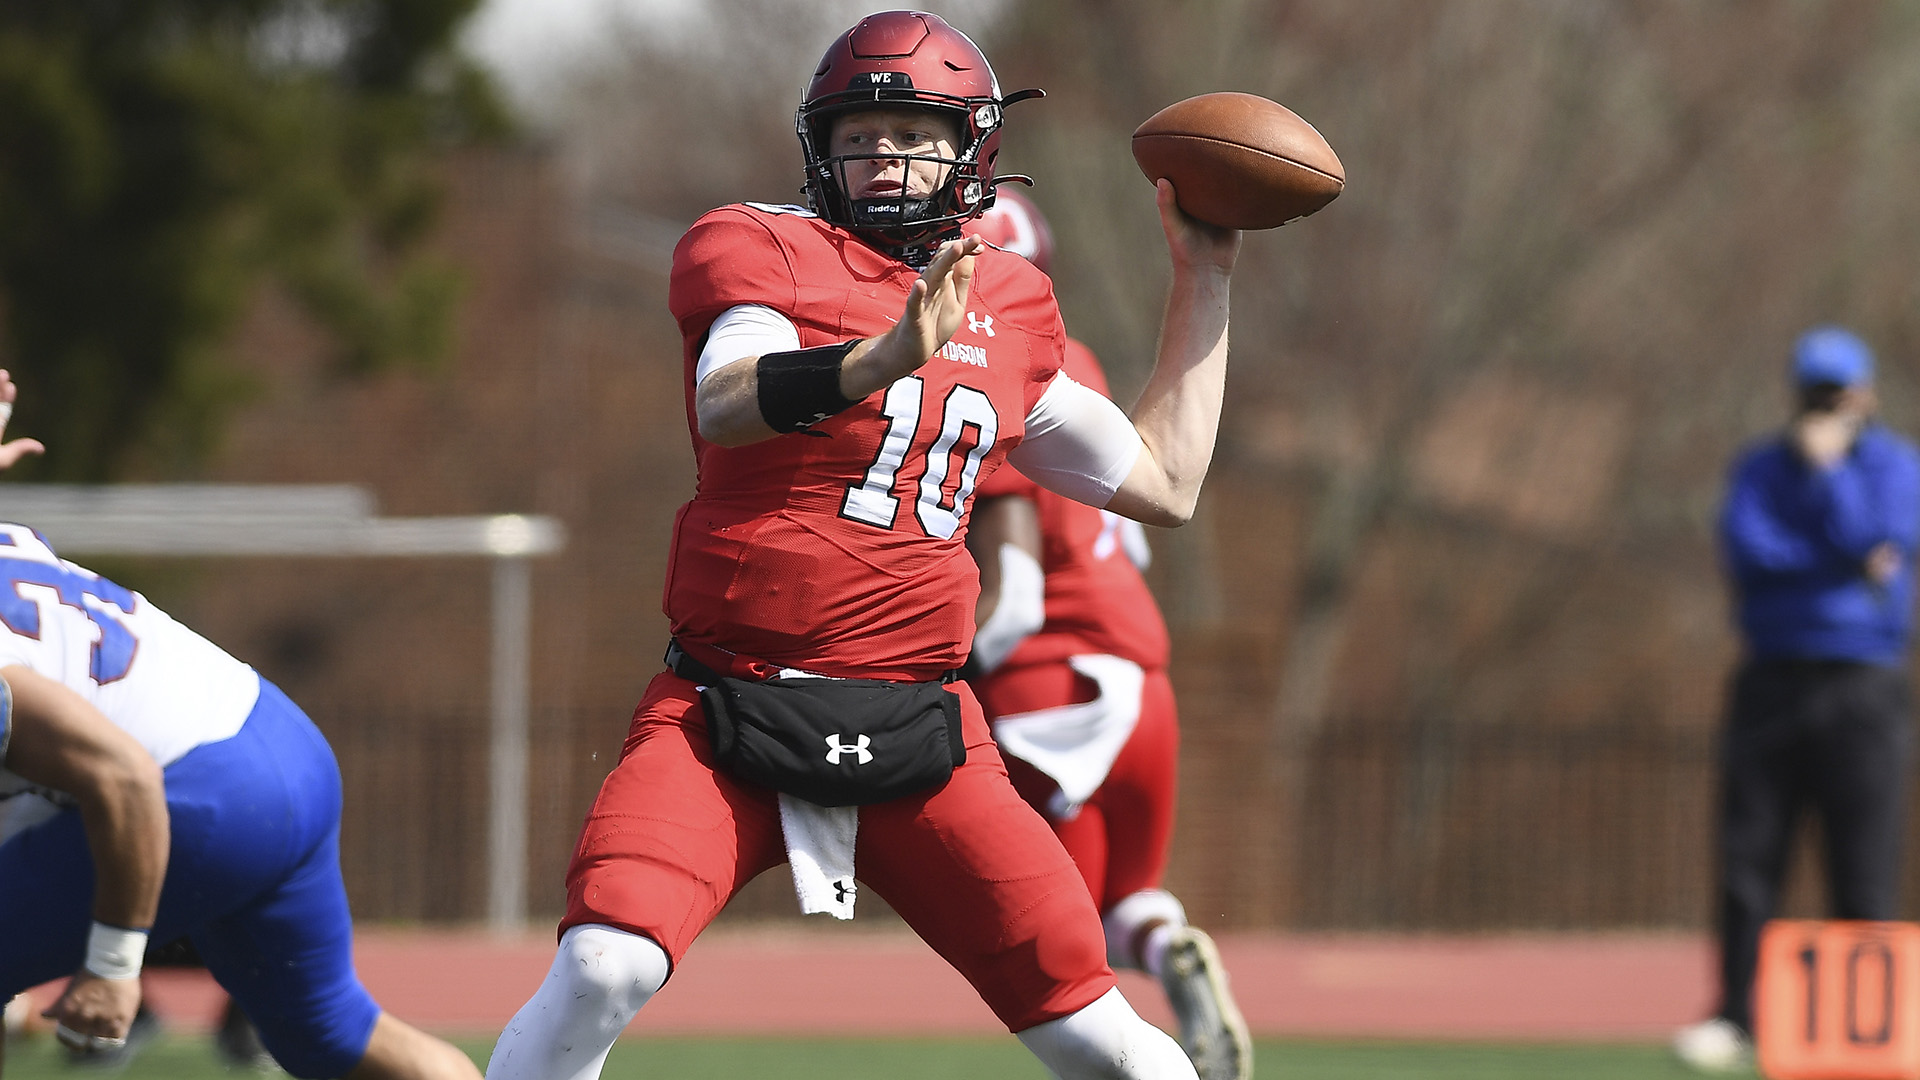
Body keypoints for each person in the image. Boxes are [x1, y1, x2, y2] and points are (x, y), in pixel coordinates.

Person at [483, 11, 1239, 1080]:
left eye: (913, 134)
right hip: (727, 708)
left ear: (971, 150)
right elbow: (726, 398)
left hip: (921, 728)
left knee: (1107, 1041)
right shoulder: (761, 246)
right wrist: (881, 358)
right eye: (859, 134)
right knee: (606, 965)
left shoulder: (1009, 300)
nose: (883, 155)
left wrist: (1205, 278)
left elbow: (1163, 482)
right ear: (819, 145)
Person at [0, 370, 481, 1080]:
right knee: (334, 1033)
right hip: (278, 737)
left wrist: (113, 965)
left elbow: (125, 775)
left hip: (195, 791)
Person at [963, 189, 1251, 1080]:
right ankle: (1171, 951)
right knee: (1131, 900)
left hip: (1052, 693)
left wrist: (920, 674)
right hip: (1142, 682)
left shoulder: (982, 363)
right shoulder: (1074, 360)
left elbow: (1013, 595)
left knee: (1059, 960)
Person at [1674, 326, 1920, 1073]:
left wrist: (1831, 474)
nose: (1827, 405)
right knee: (1748, 857)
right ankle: (1736, 1013)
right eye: (1816, 392)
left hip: (1864, 683)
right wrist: (1845, 560)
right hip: (1773, 678)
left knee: (1863, 863)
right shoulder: (1759, 467)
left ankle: (1864, 1021)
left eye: (1838, 392)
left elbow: (1882, 536)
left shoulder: (1895, 466)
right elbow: (1752, 554)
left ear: (1865, 394)